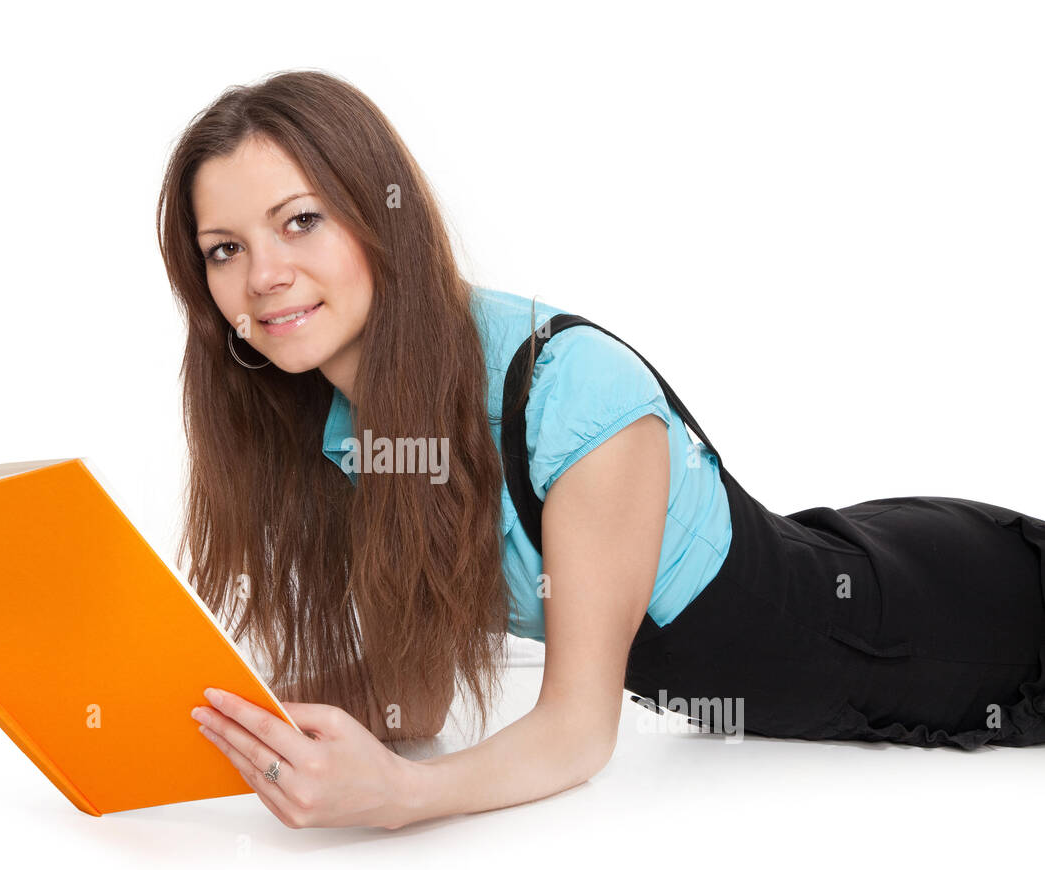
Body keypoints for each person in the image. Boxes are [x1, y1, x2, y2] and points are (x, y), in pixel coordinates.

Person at [155, 69, 1045, 831]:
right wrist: (224, 714)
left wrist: (401, 795)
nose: (263, 275)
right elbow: (414, 689)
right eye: (225, 249)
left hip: (935, 633)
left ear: (380, 215)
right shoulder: (342, 432)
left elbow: (579, 730)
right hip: (836, 583)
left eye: (300, 221)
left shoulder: (568, 390)